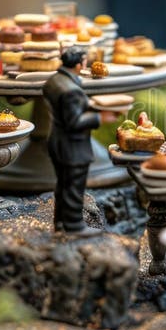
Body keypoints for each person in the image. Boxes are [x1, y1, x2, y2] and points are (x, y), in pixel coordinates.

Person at [43, 46, 116, 236]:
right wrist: (101, 118)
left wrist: (89, 106)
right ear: (78, 64)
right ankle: (74, 225)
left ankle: (60, 223)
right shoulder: (71, 91)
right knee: (75, 185)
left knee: (63, 184)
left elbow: (68, 110)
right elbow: (74, 121)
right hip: (72, 145)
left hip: (56, 141)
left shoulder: (54, 81)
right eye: (84, 61)